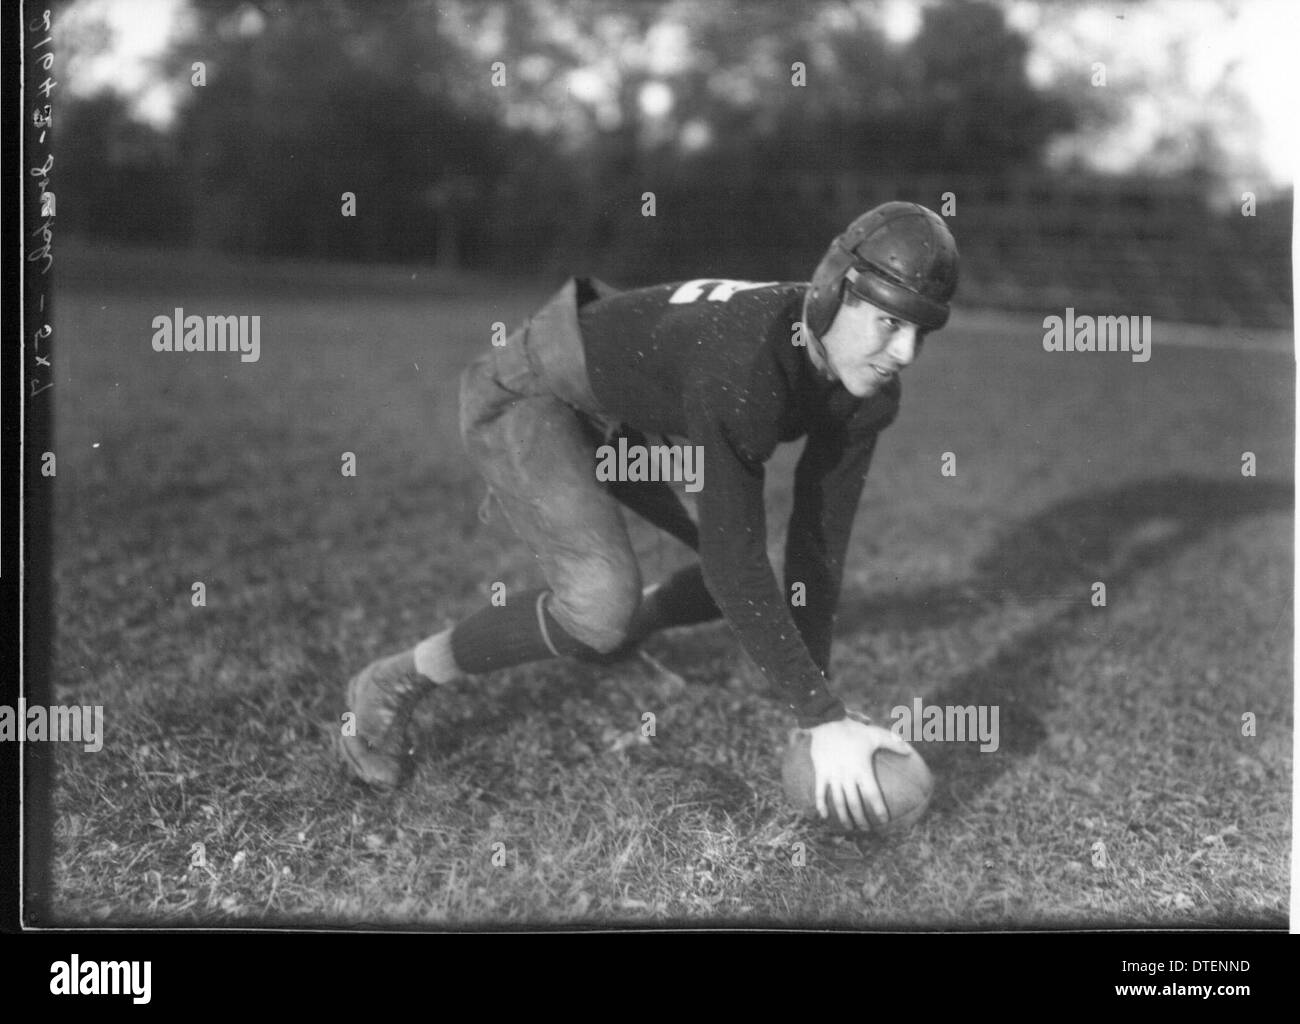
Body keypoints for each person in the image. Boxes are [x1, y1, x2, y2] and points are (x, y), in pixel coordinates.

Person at [339, 201, 959, 831]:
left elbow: (819, 540)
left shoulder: (862, 389)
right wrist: (820, 716)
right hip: (535, 390)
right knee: (605, 605)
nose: (905, 351)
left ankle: (622, 631)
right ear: (832, 292)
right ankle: (394, 680)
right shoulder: (747, 363)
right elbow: (731, 562)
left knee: (751, 581)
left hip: (630, 409)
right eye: (888, 322)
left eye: (920, 332)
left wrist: (821, 704)